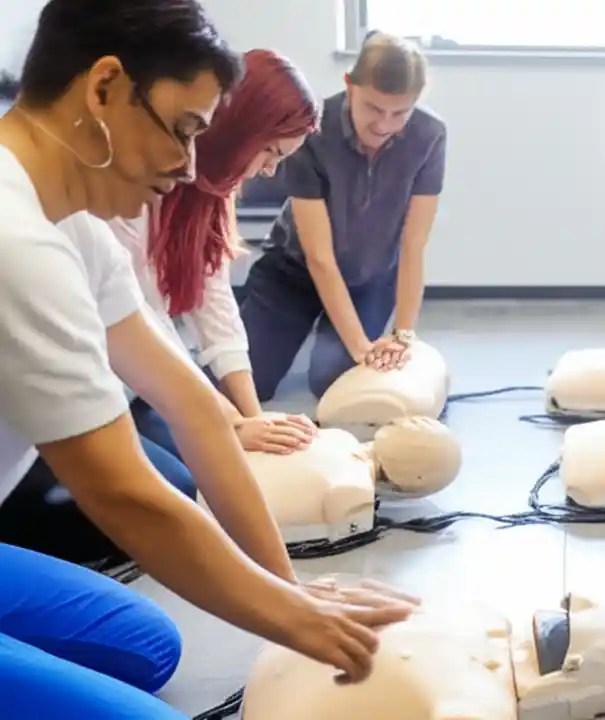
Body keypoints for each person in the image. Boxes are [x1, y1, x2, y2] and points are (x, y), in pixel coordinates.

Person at [0, 2, 414, 717]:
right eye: (185, 129)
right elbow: (123, 493)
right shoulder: (17, 243)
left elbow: (191, 406)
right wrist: (299, 624)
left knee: (145, 648)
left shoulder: (73, 230)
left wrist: (286, 589)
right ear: (102, 87)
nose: (190, 165)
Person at [110, 47, 321, 459]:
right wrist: (232, 423)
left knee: (205, 456)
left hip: (136, 377)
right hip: (101, 371)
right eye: (271, 153)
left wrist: (253, 415)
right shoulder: (136, 186)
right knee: (184, 480)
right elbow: (145, 323)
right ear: (239, 131)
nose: (269, 172)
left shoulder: (210, 196)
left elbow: (215, 306)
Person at [240, 31, 447, 401]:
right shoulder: (312, 130)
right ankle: (284, 329)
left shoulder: (430, 135)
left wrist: (403, 335)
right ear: (349, 85)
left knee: (332, 377)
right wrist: (359, 345)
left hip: (369, 278)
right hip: (294, 271)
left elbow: (414, 244)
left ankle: (324, 337)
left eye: (400, 112)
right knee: (247, 381)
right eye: (373, 108)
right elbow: (319, 257)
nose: (384, 125)